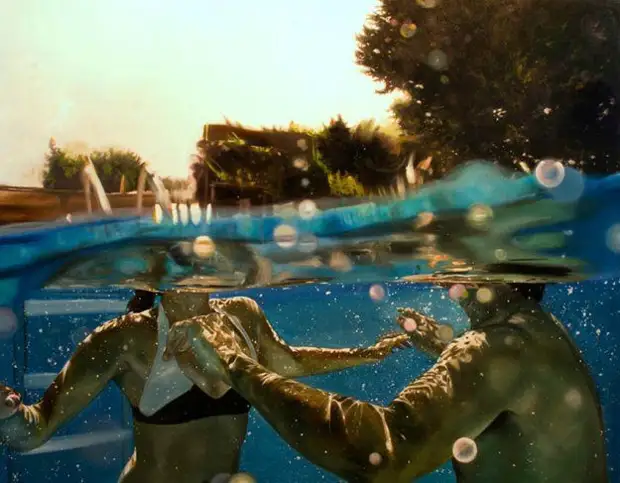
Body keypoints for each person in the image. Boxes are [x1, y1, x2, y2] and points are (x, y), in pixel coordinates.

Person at [166, 282, 608, 482]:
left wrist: (235, 362)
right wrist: (448, 349)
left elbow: (380, 454)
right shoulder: (537, 332)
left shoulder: (500, 346)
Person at [0, 289, 412, 483]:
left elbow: (286, 362)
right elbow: (32, 432)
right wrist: (8, 414)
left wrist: (368, 353)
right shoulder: (123, 337)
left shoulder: (242, 314)